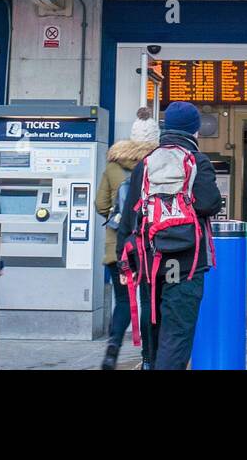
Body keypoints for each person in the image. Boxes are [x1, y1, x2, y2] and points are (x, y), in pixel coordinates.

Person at [118, 101, 222, 370]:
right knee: (177, 332)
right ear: (195, 130)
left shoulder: (145, 163)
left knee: (154, 324)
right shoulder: (198, 161)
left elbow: (130, 215)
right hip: (187, 261)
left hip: (149, 260)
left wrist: (124, 260)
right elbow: (210, 203)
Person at [94, 109, 159, 370]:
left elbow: (100, 204)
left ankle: (113, 349)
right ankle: (146, 358)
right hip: (145, 245)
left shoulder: (113, 165)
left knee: (122, 301)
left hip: (116, 245)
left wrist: (115, 214)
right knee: (147, 301)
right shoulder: (155, 164)